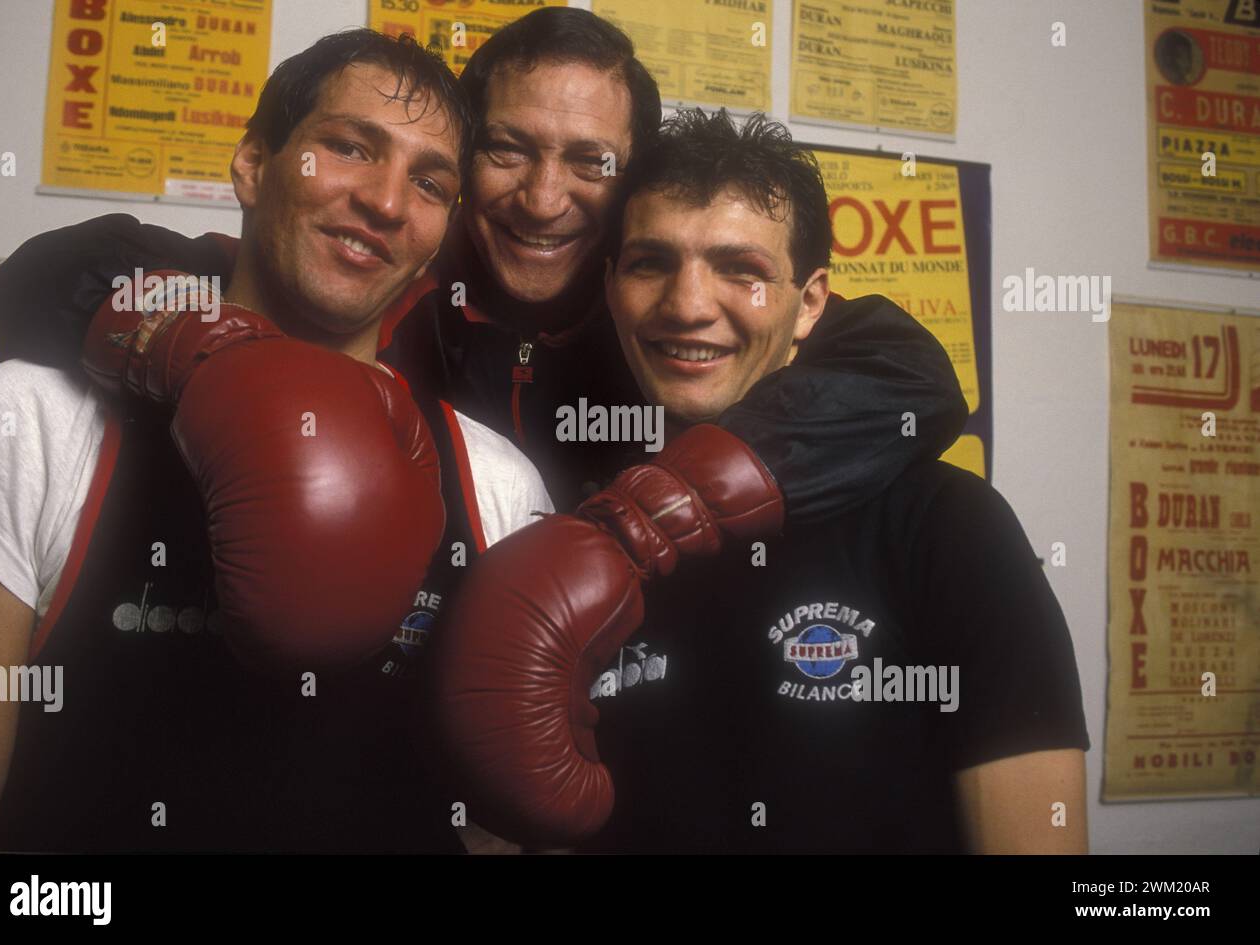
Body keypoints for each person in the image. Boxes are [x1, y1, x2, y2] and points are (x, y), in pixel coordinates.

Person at [0, 7, 967, 529]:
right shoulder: (375, 275)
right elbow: (48, 275)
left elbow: (911, 378)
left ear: (635, 184)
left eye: (591, 162)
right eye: (506, 150)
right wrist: (183, 341)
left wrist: (667, 513)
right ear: (458, 167)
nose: (543, 199)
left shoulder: (676, 318)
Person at [434, 110, 1091, 854]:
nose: (687, 305)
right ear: (611, 285)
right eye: (651, 262)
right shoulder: (579, 532)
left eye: (740, 270)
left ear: (810, 302)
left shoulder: (950, 524)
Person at [0, 30, 550, 854]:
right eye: (349, 146)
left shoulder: (495, 481)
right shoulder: (28, 421)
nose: (385, 201)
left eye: (428, 181)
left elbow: (488, 831)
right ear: (252, 165)